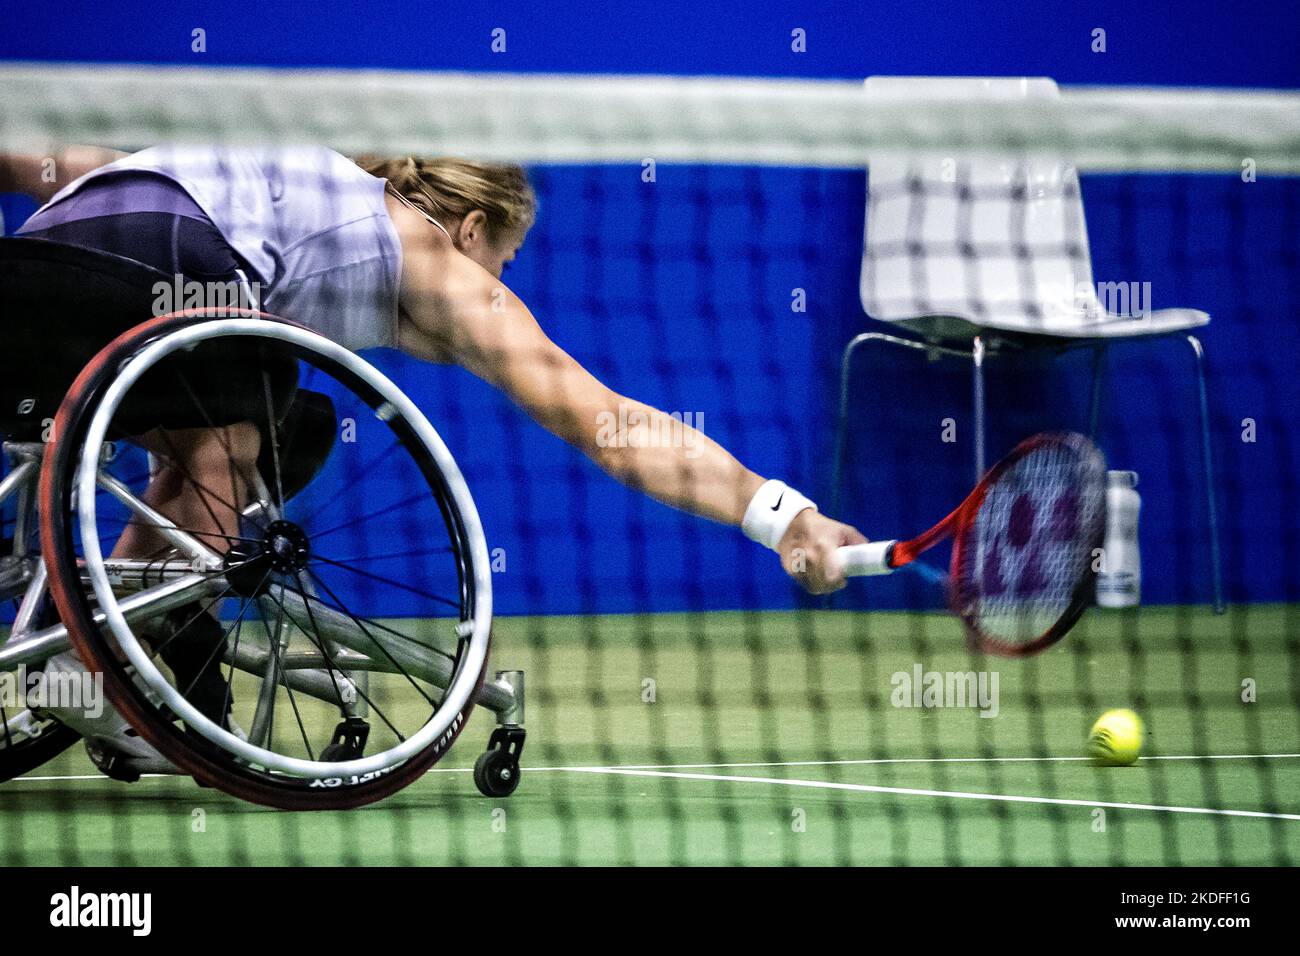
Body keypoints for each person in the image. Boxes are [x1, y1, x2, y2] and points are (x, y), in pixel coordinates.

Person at [0, 145, 868, 774]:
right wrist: (782, 514)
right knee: (238, 412)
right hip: (160, 275)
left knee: (285, 425)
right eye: (506, 260)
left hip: (37, 282)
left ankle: (98, 626)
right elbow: (612, 425)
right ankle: (92, 667)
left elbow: (49, 156)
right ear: (473, 227)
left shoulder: (298, 173)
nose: (503, 282)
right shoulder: (439, 262)